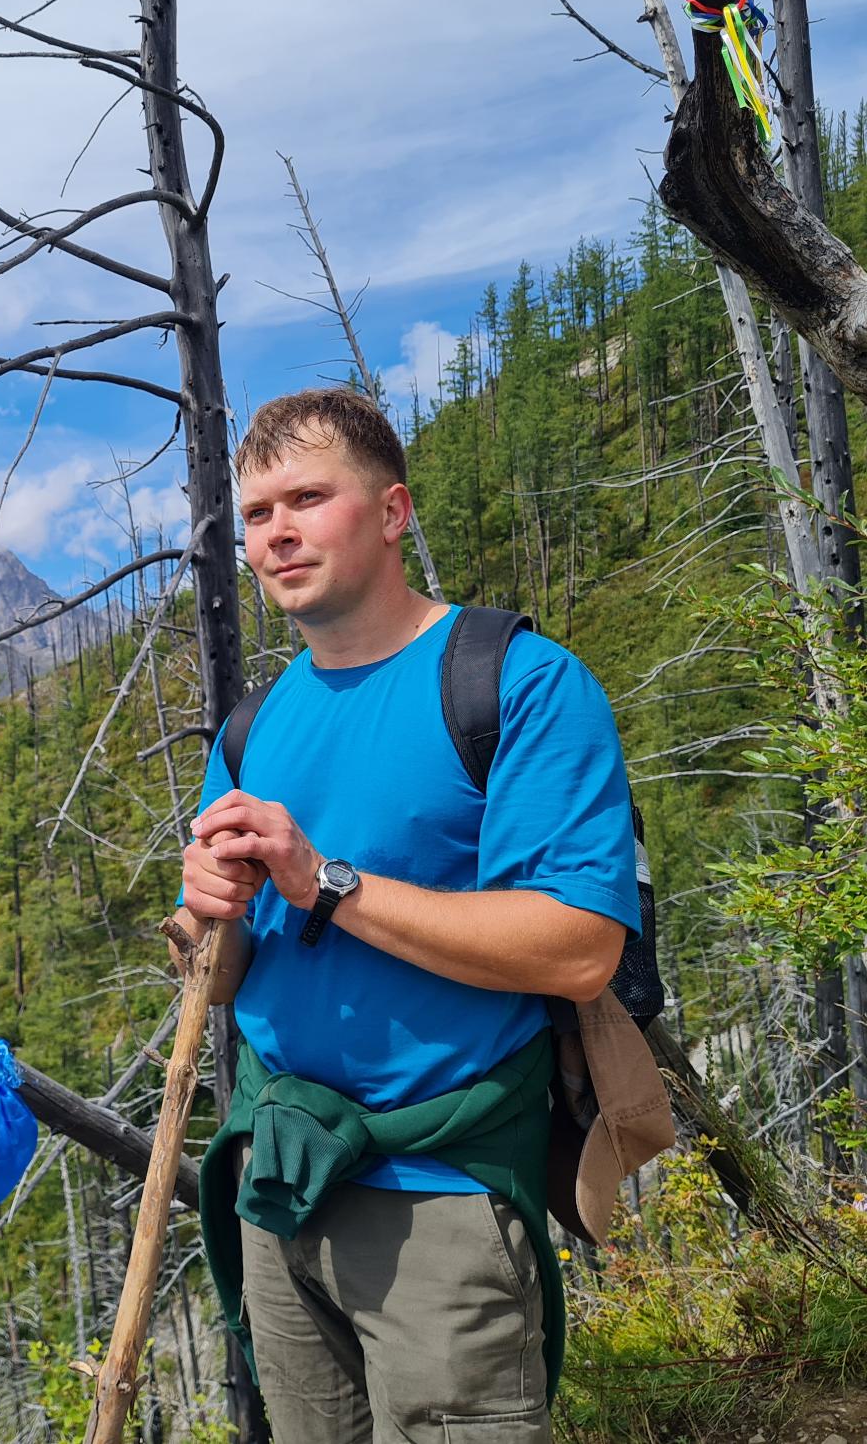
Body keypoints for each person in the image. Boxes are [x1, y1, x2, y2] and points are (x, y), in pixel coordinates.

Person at [174, 387, 638, 1443]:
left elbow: (574, 948)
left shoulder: (515, 683)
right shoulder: (253, 728)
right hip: (277, 1184)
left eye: (306, 498)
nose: (276, 533)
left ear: (390, 513)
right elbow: (214, 962)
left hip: (438, 1194)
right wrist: (206, 917)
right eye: (254, 515)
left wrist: (323, 885)